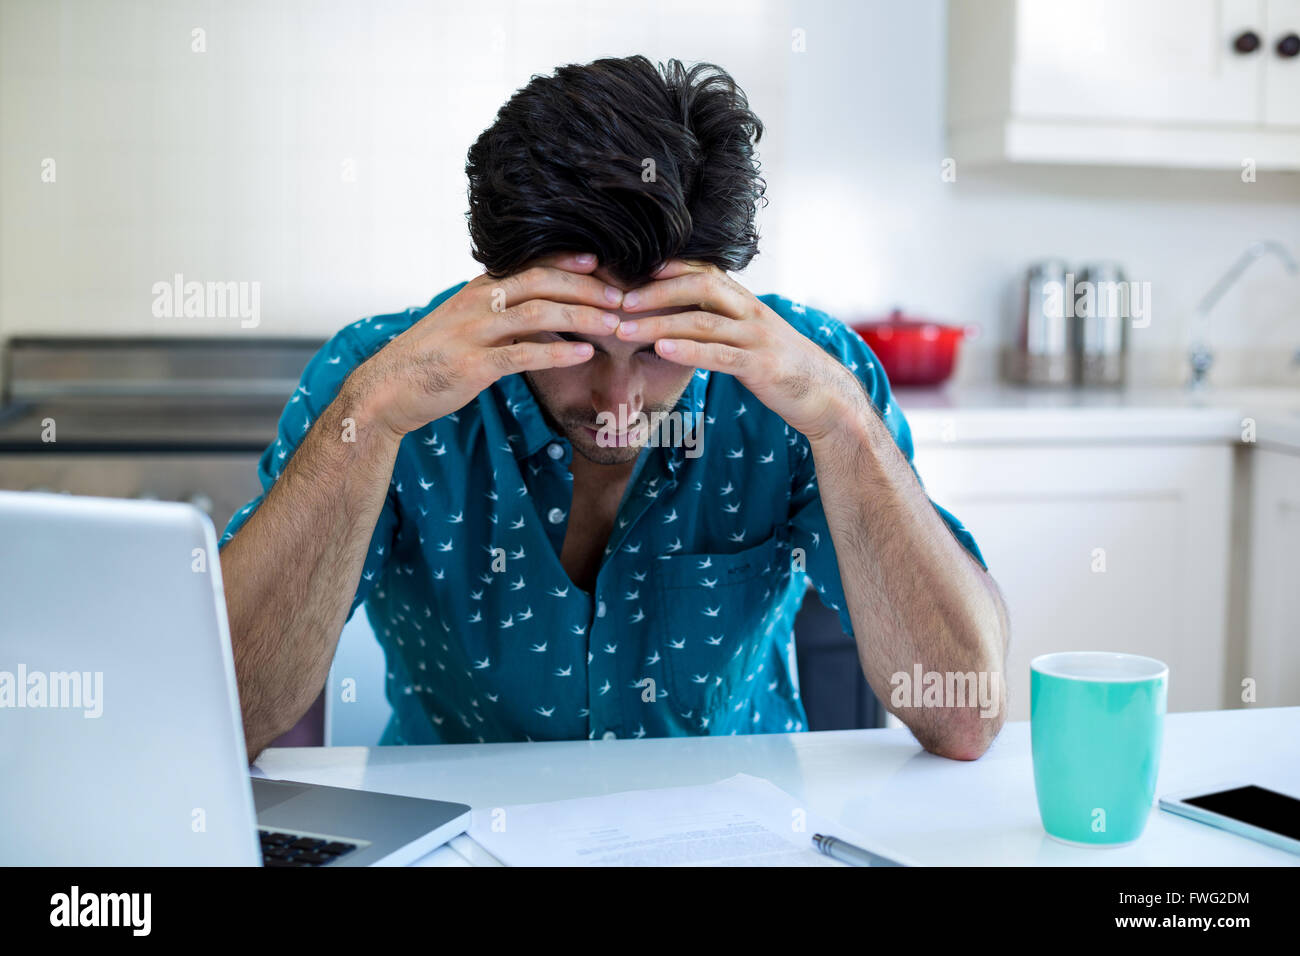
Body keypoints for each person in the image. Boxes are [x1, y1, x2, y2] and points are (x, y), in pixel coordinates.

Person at [220, 56, 1010, 761]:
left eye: (663, 348)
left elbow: (966, 718)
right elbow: (228, 716)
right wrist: (376, 414)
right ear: (498, 285)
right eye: (573, 341)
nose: (618, 403)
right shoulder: (375, 376)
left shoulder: (807, 382)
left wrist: (844, 423)